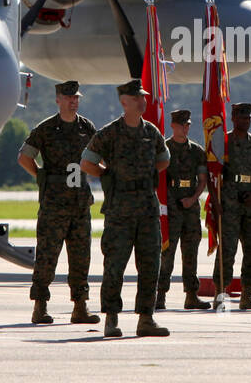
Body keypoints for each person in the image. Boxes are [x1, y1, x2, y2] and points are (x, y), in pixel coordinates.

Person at [81, 79, 171, 338]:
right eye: (138, 97)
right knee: (115, 265)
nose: (144, 100)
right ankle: (111, 318)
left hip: (147, 208)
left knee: (150, 264)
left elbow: (164, 160)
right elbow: (87, 163)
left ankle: (146, 318)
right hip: (120, 210)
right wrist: (108, 176)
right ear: (125, 102)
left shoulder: (150, 131)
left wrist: (143, 175)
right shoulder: (110, 133)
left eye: (143, 96)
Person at [17, 80, 99, 325]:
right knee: (47, 255)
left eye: (76, 98)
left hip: (80, 204)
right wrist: (42, 177)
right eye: (69, 97)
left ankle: (80, 307)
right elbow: (24, 157)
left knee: (81, 256)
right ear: (58, 100)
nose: (74, 101)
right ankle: (40, 307)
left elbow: (96, 158)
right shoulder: (47, 128)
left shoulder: (87, 127)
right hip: (54, 204)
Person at [218, 102, 251, 310]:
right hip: (229, 201)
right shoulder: (223, 142)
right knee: (227, 250)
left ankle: (247, 294)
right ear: (232, 118)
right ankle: (220, 294)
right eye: (241, 117)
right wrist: (216, 200)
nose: (245, 121)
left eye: (247, 118)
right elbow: (214, 173)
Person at [158, 109, 210, 311]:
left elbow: (202, 180)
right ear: (173, 125)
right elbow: (160, 181)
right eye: (181, 124)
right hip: (171, 209)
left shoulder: (196, 151)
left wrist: (193, 198)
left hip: (190, 209)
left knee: (191, 253)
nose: (185, 128)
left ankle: (191, 295)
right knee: (167, 253)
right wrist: (173, 202)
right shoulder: (165, 149)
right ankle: (160, 295)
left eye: (187, 124)